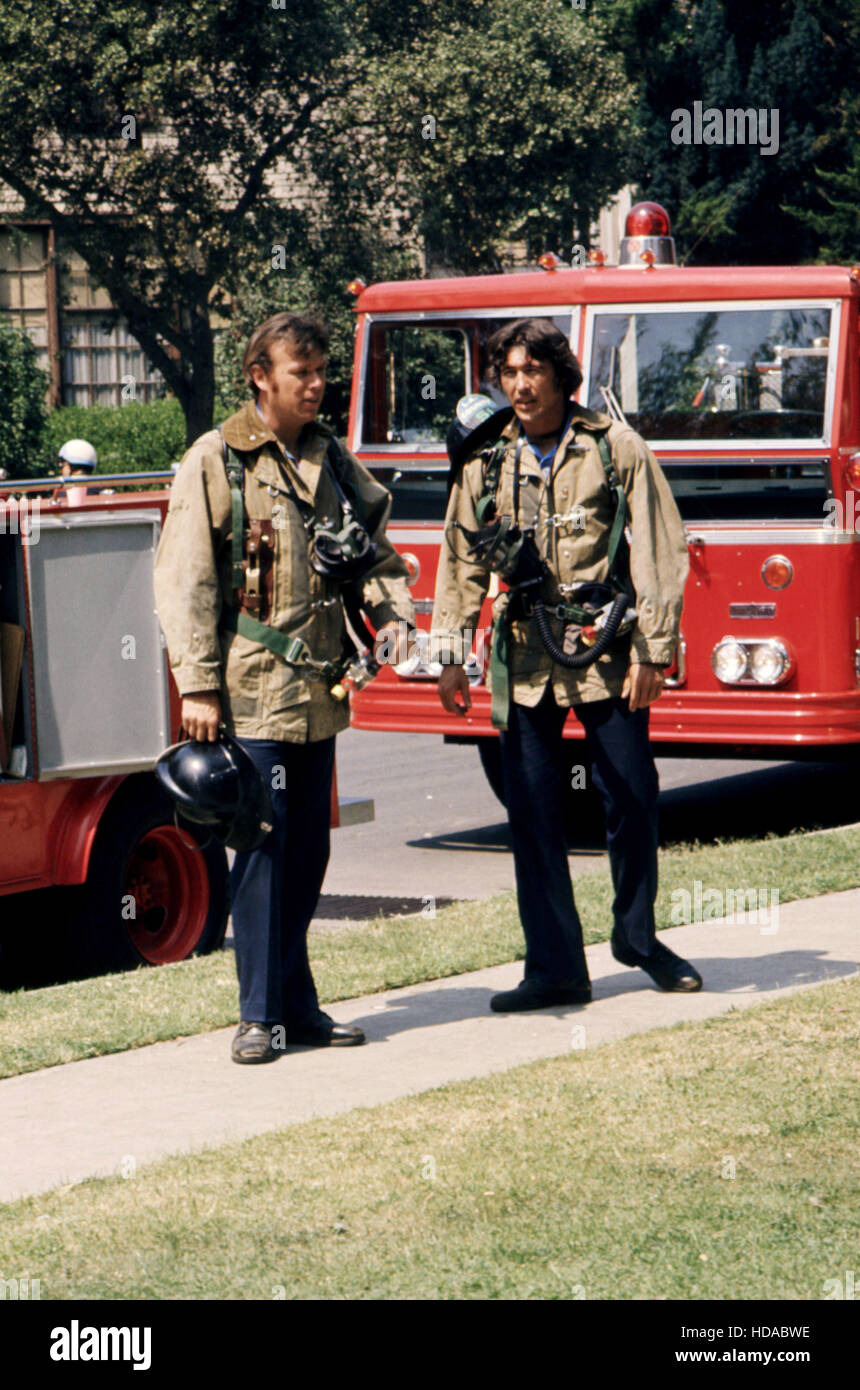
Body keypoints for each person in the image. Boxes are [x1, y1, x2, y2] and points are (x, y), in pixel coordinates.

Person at [154, 311, 415, 1063]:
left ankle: (298, 1009)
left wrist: (393, 615)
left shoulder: (331, 461)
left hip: (320, 697)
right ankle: (258, 1017)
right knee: (262, 851)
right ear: (260, 376)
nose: (316, 385)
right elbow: (185, 582)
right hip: (251, 691)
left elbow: (374, 552)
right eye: (301, 373)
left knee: (308, 855)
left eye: (322, 372)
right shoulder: (217, 458)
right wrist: (198, 687)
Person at [431, 318, 700, 1011]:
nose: (519, 386)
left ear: (560, 375)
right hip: (522, 658)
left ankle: (637, 939)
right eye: (508, 374)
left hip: (605, 653)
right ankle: (554, 968)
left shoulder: (615, 447)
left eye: (532, 371)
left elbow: (661, 548)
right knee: (533, 813)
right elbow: (459, 557)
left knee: (634, 795)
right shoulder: (488, 459)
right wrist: (450, 655)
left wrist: (655, 649)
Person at [53, 439, 98, 505]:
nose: (60, 471)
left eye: (61, 466)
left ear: (72, 466)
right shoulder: (103, 487)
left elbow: (36, 513)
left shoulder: (64, 493)